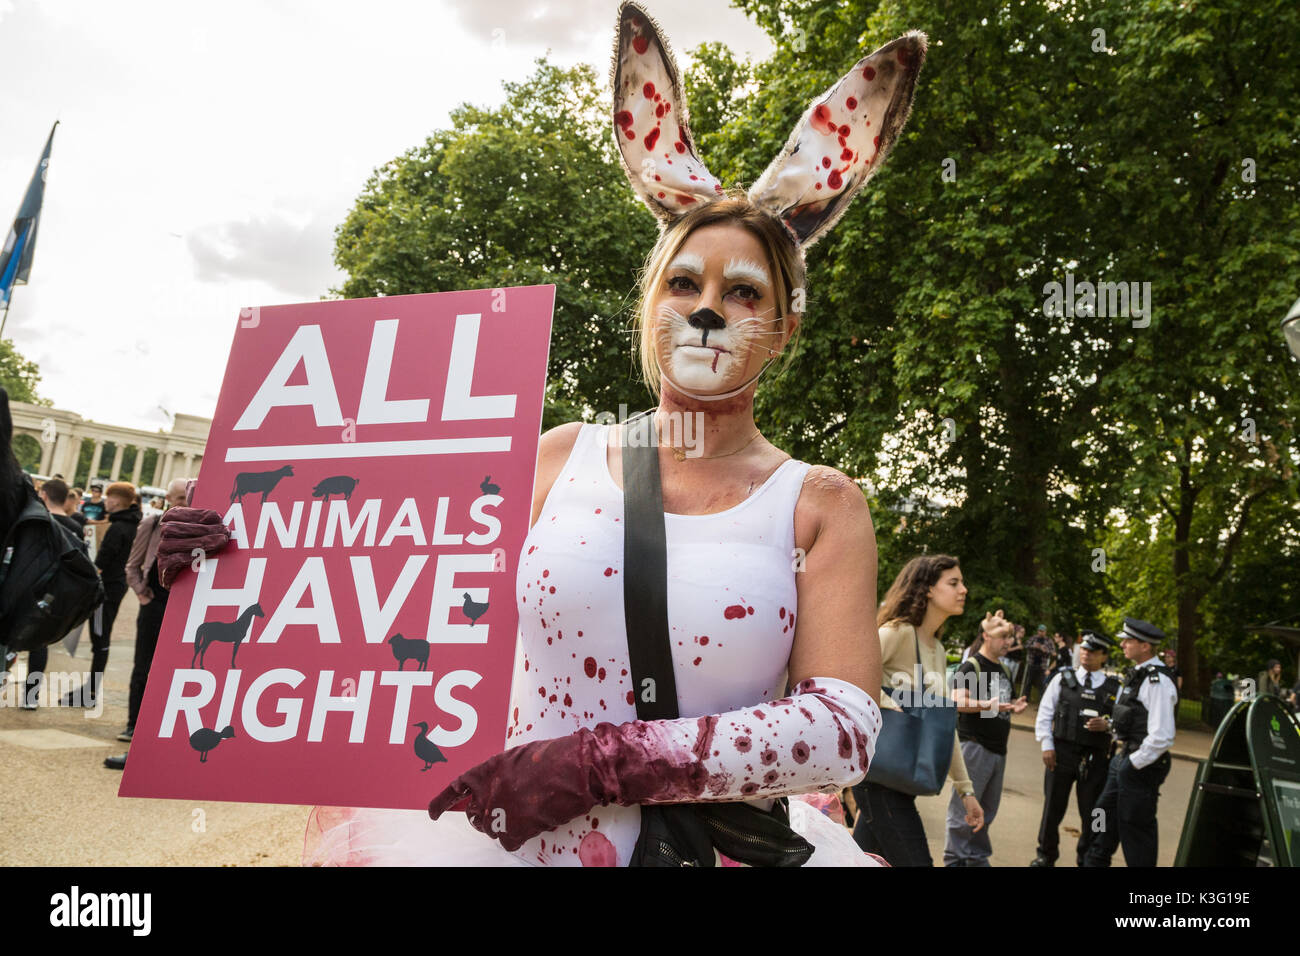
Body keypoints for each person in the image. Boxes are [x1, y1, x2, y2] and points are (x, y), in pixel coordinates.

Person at [161, 2, 930, 868]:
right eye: (683, 282)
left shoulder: (820, 505)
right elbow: (384, 589)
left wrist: (603, 762)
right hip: (503, 845)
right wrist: (226, 563)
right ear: (650, 304)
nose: (709, 308)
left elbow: (840, 731)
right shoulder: (560, 459)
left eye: (745, 292)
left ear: (785, 328)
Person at [851, 555, 986, 866]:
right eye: (953, 583)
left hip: (901, 782)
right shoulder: (896, 633)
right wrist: (890, 705)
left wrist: (967, 792)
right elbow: (852, 677)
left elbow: (943, 725)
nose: (963, 589)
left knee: (857, 860)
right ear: (926, 589)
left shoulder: (938, 651)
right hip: (880, 782)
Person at [104, 477, 190, 770]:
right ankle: (134, 726)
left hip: (182, 608)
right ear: (167, 498)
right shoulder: (154, 523)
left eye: (186, 497)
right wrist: (141, 593)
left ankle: (158, 736)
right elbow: (133, 562)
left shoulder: (198, 525)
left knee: (171, 672)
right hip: (154, 604)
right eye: (177, 498)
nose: (182, 503)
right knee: (144, 665)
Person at [1082, 617, 1178, 868]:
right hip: (1124, 759)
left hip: (1140, 765)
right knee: (1101, 819)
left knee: (1136, 831)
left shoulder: (1157, 681)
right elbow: (1131, 719)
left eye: (1128, 640)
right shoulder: (1138, 675)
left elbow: (1162, 735)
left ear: (1145, 646)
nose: (1122, 644)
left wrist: (1132, 764)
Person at [944, 610, 1028, 866]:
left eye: (1010, 637)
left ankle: (976, 858)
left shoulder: (1004, 668)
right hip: (975, 747)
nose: (1007, 642)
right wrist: (986, 705)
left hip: (998, 751)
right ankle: (956, 859)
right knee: (963, 812)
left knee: (987, 811)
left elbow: (1002, 700)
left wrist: (1014, 705)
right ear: (985, 637)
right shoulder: (972, 665)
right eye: (1002, 636)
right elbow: (957, 701)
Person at [1031, 630, 1119, 866]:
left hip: (1096, 757)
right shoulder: (1063, 679)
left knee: (1096, 812)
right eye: (1084, 650)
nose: (1086, 655)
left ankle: (1091, 856)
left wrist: (1108, 726)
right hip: (1061, 753)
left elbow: (1124, 725)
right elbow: (1044, 713)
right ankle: (1045, 854)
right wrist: (1047, 745)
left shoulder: (1114, 689)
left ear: (1104, 656)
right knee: (1052, 808)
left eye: (1093, 652)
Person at [63, 481, 141, 707]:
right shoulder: (130, 524)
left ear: (116, 501)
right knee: (101, 638)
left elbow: (102, 562)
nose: (106, 501)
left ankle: (91, 691)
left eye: (109, 498)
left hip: (107, 588)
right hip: (116, 585)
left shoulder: (117, 528)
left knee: (100, 639)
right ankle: (90, 689)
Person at [19, 478, 88, 708]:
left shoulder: (37, 520)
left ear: (45, 496)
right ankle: (31, 696)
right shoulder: (75, 527)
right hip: (55, 593)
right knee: (39, 644)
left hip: (27, 587)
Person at [1021, 624, 1053, 702]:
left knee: (1042, 683)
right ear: (1038, 631)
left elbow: (1052, 651)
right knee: (1028, 682)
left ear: (1045, 632)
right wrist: (1034, 646)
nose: (1041, 633)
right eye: (1039, 631)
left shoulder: (1049, 640)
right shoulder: (1033, 638)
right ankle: (1025, 699)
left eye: (1042, 631)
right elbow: (1026, 645)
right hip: (1032, 663)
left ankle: (1042, 701)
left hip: (1042, 665)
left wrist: (1044, 649)